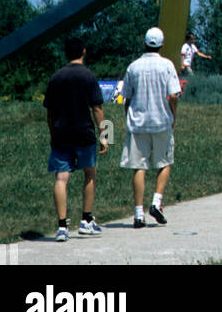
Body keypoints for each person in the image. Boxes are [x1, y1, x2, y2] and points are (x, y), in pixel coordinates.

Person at [43, 35, 109, 240]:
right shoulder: (88, 76)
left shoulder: (56, 77)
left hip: (61, 133)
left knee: (61, 178)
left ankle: (62, 226)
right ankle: (86, 220)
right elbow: (97, 109)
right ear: (84, 52)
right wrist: (105, 135)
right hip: (84, 132)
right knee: (90, 173)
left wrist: (53, 133)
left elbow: (49, 112)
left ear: (65, 54)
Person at [120, 27, 181, 228]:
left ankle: (138, 214)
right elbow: (173, 95)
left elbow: (127, 98)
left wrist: (127, 117)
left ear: (144, 43)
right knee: (165, 162)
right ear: (162, 45)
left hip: (138, 123)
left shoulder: (133, 67)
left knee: (139, 167)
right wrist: (173, 115)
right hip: (161, 120)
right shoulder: (167, 65)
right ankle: (156, 202)